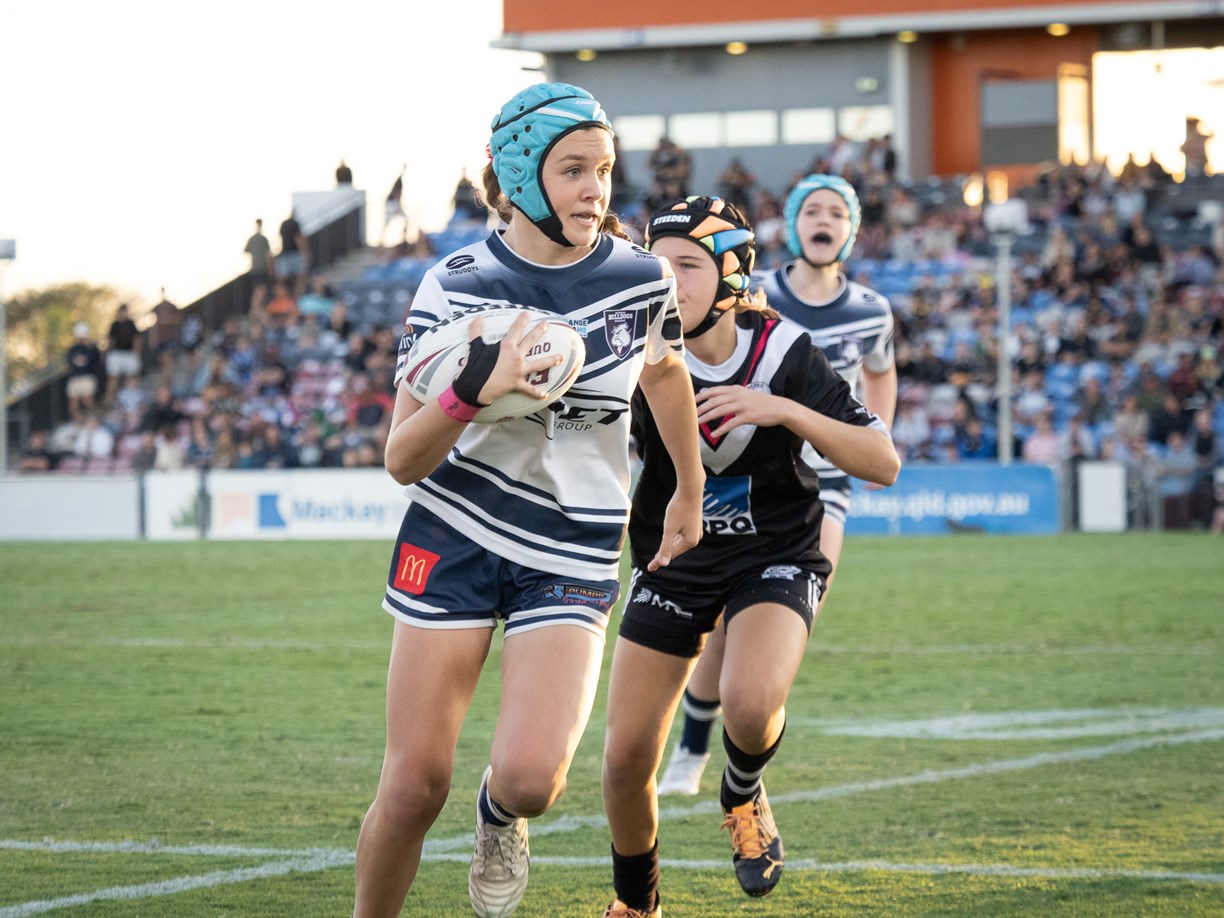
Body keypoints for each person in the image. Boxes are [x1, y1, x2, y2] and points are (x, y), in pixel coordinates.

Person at [351, 82, 705, 918]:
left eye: (605, 170)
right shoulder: (455, 284)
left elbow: (664, 369)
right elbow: (401, 457)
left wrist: (688, 484)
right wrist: (477, 390)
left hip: (571, 547)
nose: (595, 190)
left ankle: (498, 814)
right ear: (516, 175)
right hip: (455, 531)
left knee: (532, 778)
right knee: (411, 786)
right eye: (573, 170)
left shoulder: (641, 278)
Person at [600, 196, 899, 915]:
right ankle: (637, 904)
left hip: (778, 550)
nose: (667, 281)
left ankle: (741, 791)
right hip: (676, 556)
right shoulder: (630, 347)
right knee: (623, 761)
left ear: (732, 276)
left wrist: (786, 410)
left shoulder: (785, 349)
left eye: (687, 267)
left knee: (750, 703)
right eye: (658, 264)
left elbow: (883, 461)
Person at [657, 173, 897, 796]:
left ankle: (741, 750)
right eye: (812, 210)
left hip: (827, 472)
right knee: (716, 619)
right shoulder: (747, 291)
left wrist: (875, 436)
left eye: (837, 213)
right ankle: (692, 746)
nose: (824, 220)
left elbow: (880, 374)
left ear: (851, 229)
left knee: (777, 608)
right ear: (794, 225)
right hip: (745, 471)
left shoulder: (873, 310)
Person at [103, 303, 141, 405]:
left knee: (130, 376)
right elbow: (110, 340)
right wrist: (106, 353)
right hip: (116, 353)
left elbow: (136, 338)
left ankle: (131, 398)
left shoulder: (131, 324)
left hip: (129, 353)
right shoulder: (114, 324)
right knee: (113, 377)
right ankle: (110, 398)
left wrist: (136, 351)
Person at [65, 321, 102, 422]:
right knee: (73, 402)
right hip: (75, 377)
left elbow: (97, 359)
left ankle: (96, 418)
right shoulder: (73, 349)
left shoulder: (91, 348)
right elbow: (68, 362)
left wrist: (92, 346)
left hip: (87, 377)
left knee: (88, 400)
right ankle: (77, 420)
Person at [244, 218, 275, 312]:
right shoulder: (262, 239)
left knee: (257, 290)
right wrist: (271, 270)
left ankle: (254, 309)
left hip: (254, 268)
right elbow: (267, 255)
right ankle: (254, 310)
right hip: (261, 268)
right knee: (260, 290)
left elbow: (246, 251)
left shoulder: (252, 239)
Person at [277, 209, 310, 297]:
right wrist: (305, 252)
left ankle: (284, 299)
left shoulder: (283, 224)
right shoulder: (295, 224)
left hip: (284, 254)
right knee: (301, 277)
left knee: (282, 279)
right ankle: (296, 298)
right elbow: (298, 238)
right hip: (295, 254)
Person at [382, 163, 407, 246]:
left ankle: (404, 237)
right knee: (386, 224)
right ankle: (381, 243)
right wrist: (398, 205)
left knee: (405, 220)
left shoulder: (400, 179)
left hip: (393, 204)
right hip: (391, 204)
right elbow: (396, 193)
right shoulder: (399, 180)